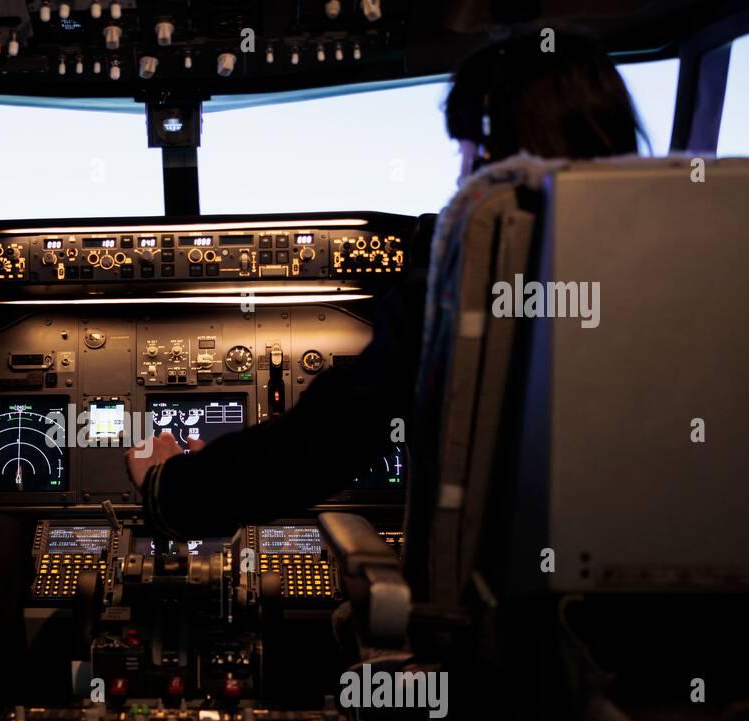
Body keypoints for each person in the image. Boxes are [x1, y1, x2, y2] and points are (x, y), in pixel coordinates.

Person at [126, 30, 644, 539]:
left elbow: (315, 448)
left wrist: (171, 488)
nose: (463, 179)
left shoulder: (467, 283)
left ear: (494, 157)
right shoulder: (677, 264)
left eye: (466, 153)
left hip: (502, 613)